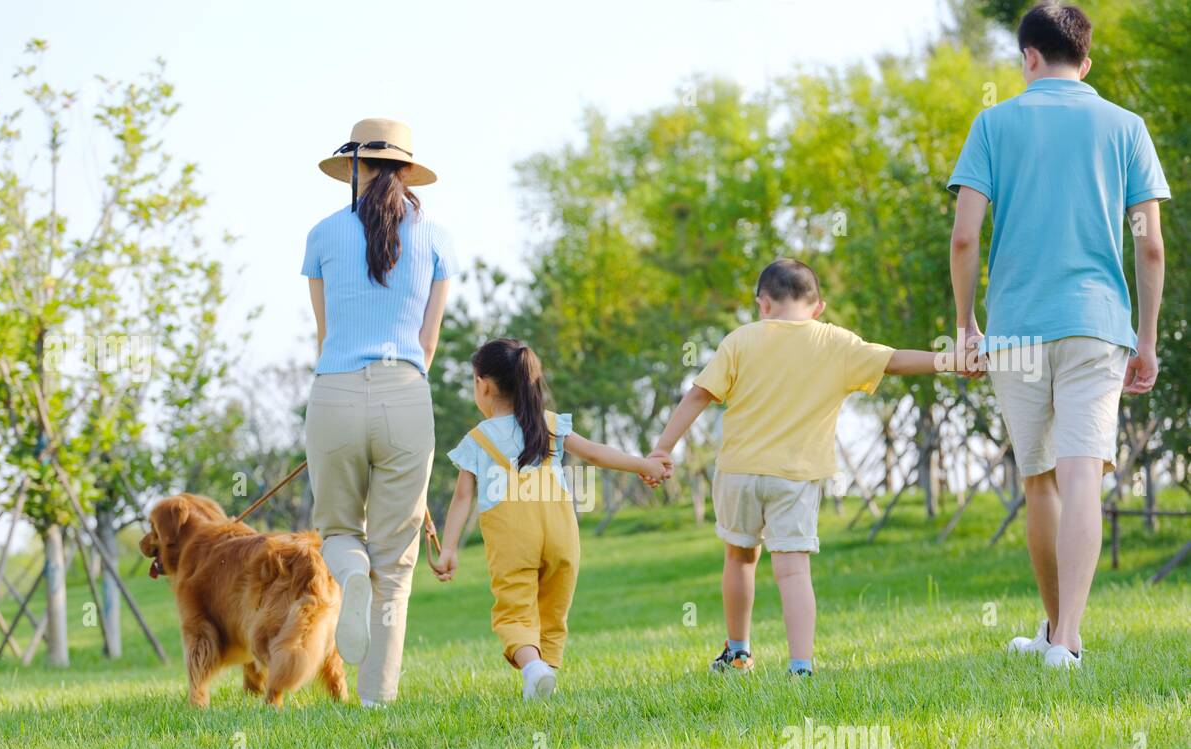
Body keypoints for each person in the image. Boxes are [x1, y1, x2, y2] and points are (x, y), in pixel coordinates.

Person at [948, 3, 1169, 670]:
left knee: (1039, 480)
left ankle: (1057, 634)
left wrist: (965, 328)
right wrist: (1147, 339)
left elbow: (963, 237)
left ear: (1029, 57)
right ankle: (1063, 639)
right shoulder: (1125, 127)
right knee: (1081, 478)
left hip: (1016, 327)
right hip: (1098, 324)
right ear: (1087, 61)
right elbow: (1150, 247)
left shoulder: (994, 123)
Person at [649, 258, 947, 676]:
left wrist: (661, 450)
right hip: (797, 476)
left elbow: (699, 395)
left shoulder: (740, 340)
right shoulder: (835, 342)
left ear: (763, 303)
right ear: (818, 306)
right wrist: (952, 361)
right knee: (792, 570)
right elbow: (896, 360)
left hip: (739, 471)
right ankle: (801, 666)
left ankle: (738, 652)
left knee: (739, 558)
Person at [302, 118, 457, 705]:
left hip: (335, 392)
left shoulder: (320, 236)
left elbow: (324, 339)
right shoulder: (438, 238)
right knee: (395, 565)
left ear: (355, 170)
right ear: (406, 172)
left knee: (340, 532)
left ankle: (349, 576)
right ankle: (376, 703)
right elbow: (428, 343)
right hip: (405, 395)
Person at [431, 338, 670, 700]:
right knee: (552, 611)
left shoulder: (479, 438)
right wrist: (643, 464)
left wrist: (449, 548)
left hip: (514, 538)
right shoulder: (549, 425)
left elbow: (463, 497)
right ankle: (543, 679)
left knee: (514, 613)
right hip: (561, 533)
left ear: (484, 385)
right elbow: (596, 454)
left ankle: (534, 669)